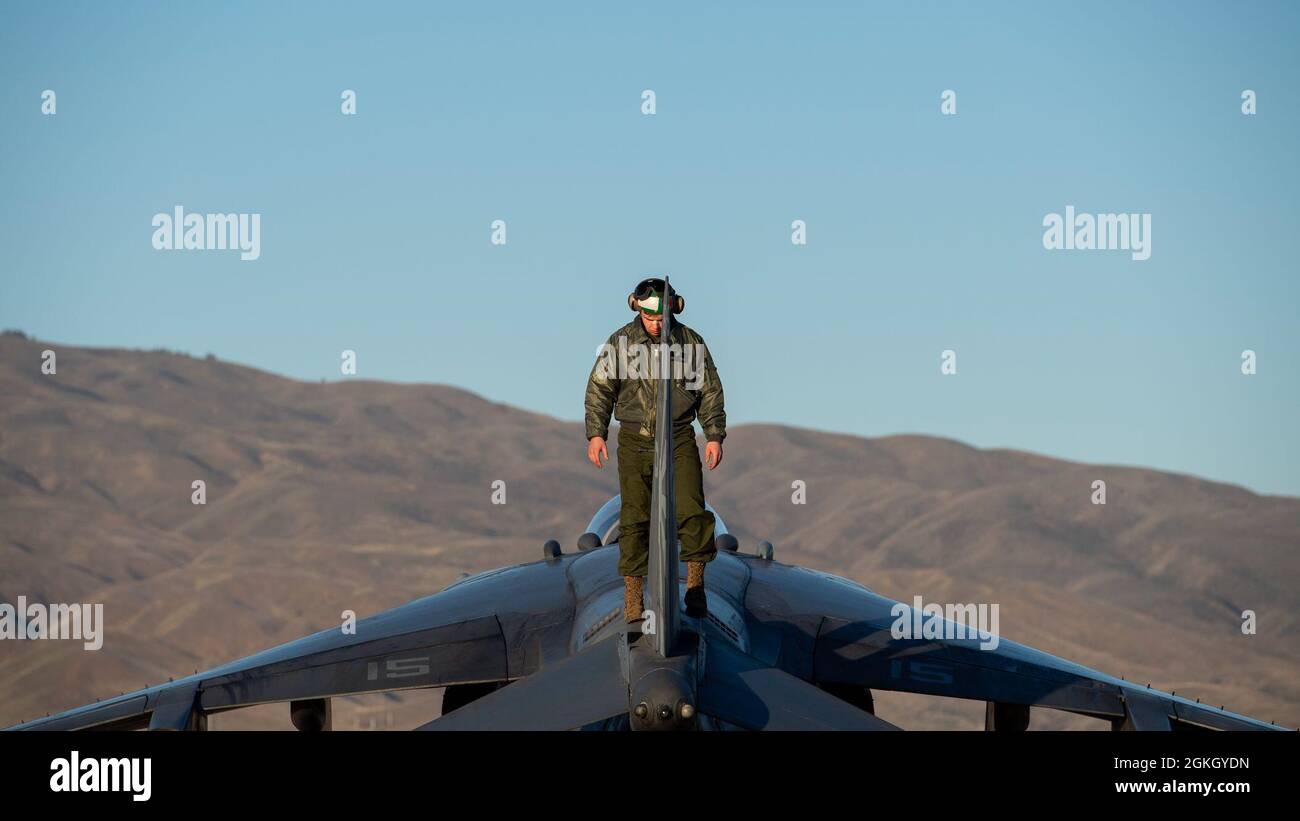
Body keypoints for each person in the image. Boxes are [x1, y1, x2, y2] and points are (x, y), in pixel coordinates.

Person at [584, 277, 726, 623]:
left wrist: (713, 435)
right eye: (649, 317)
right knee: (634, 518)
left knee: (693, 510)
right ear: (637, 309)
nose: (656, 323)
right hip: (634, 439)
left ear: (673, 309)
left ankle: (695, 586)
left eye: (661, 317)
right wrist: (596, 434)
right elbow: (600, 388)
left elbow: (709, 390)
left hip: (679, 436)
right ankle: (633, 593)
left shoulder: (690, 344)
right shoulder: (620, 344)